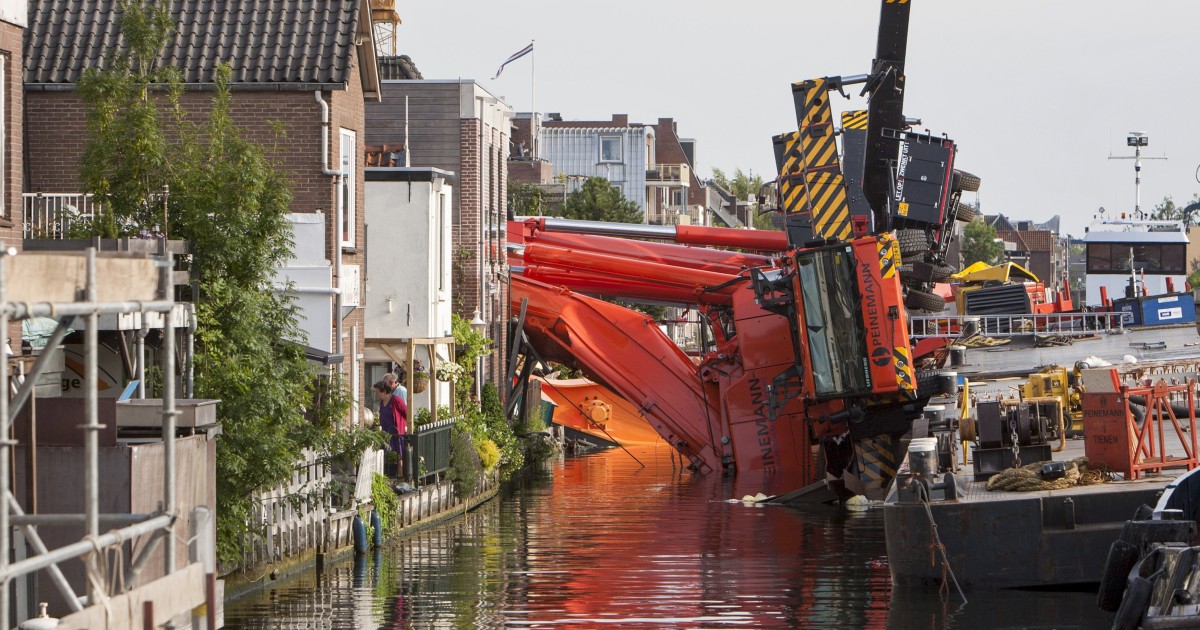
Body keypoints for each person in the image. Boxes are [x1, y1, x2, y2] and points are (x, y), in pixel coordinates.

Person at [373, 380, 408, 474]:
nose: (375, 394)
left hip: (396, 434)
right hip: (386, 434)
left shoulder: (396, 400)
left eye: (377, 392)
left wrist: (404, 426)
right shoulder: (382, 403)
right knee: (388, 456)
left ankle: (400, 476)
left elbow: (407, 412)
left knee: (398, 456)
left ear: (384, 392)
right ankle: (390, 475)